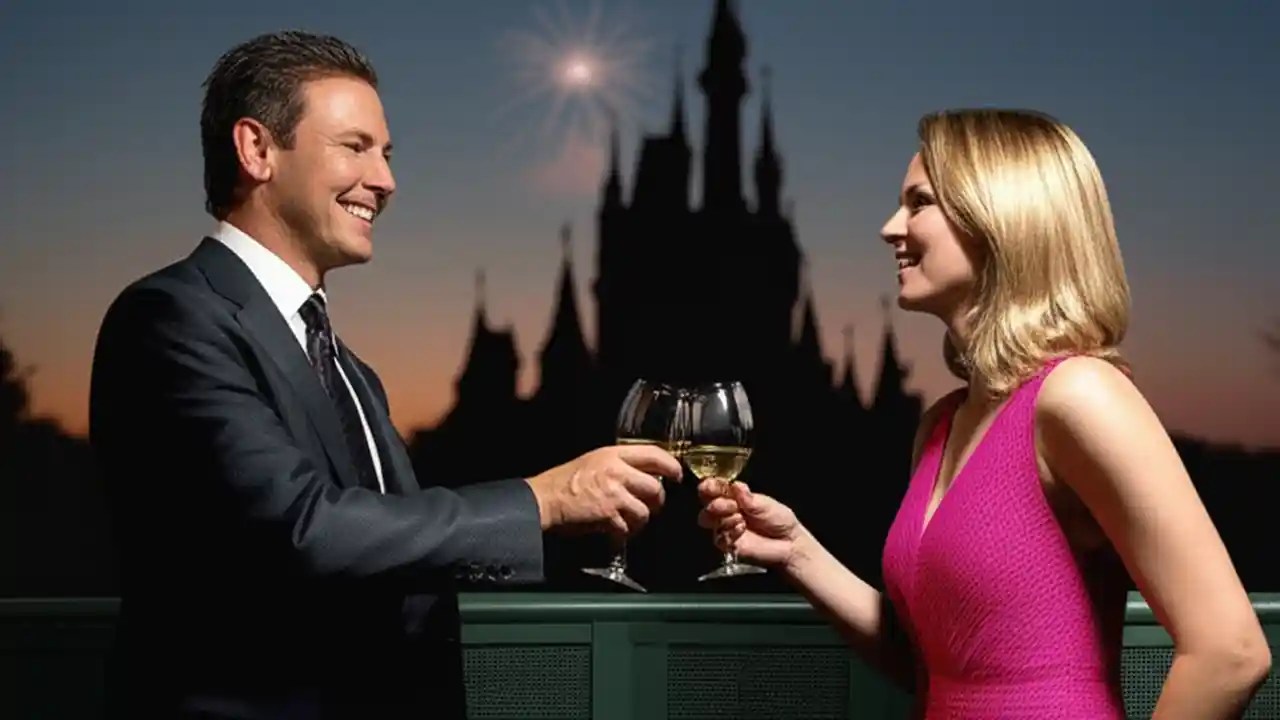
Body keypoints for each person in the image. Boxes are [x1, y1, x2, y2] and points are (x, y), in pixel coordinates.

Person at [88, 30, 680, 719]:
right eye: (355, 147)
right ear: (256, 150)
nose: (387, 181)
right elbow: (302, 531)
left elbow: (395, 548)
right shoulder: (170, 317)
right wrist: (540, 504)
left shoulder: (350, 370)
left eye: (388, 154)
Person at [698, 109, 1271, 718]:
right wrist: (797, 553)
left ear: (998, 218)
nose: (890, 228)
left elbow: (1231, 652)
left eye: (919, 203)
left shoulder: (1079, 394)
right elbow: (937, 669)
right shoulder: (941, 425)